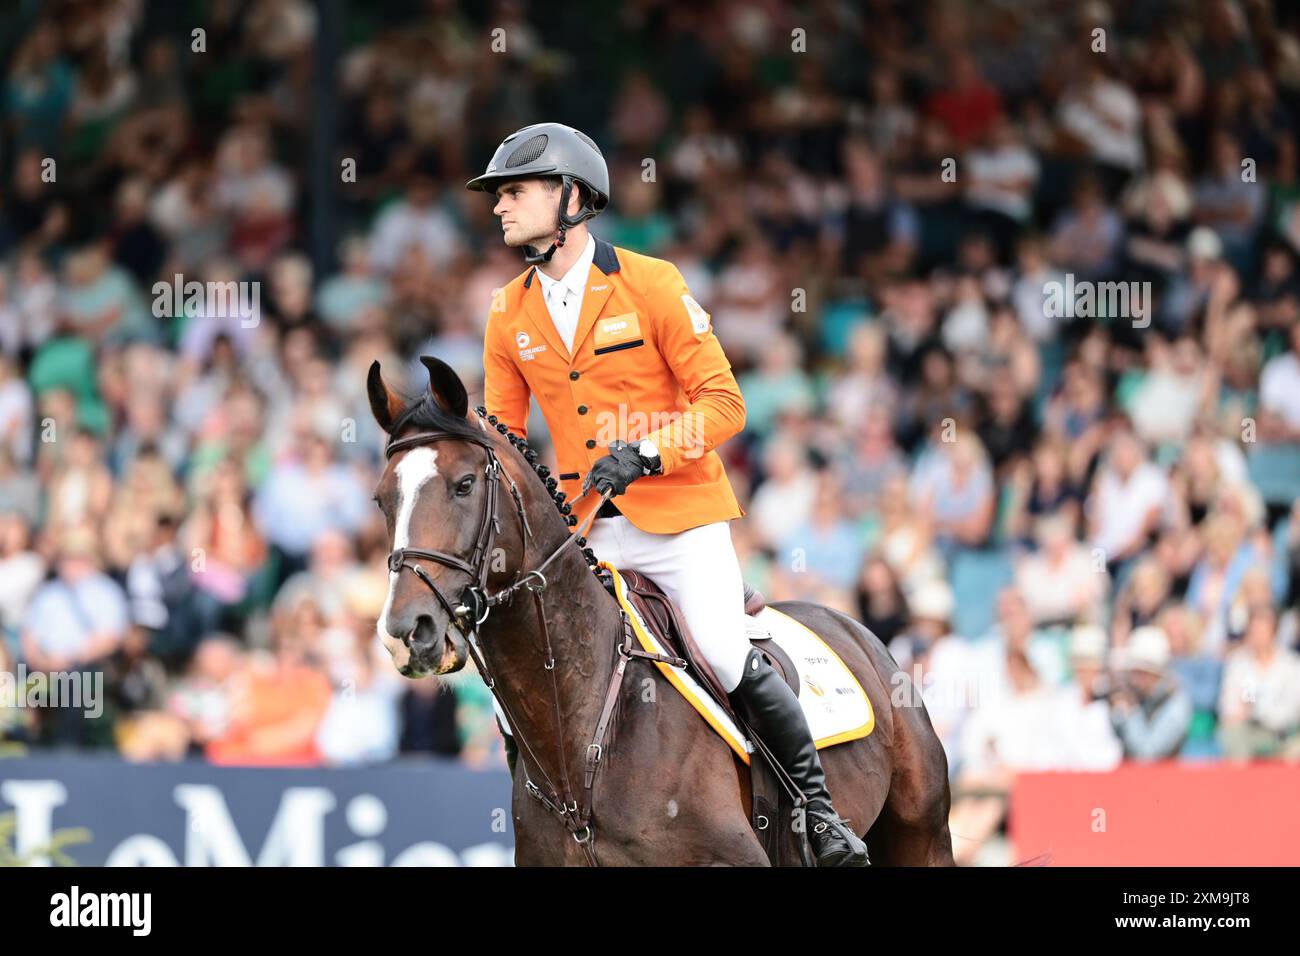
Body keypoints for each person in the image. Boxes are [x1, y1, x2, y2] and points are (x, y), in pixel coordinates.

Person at [472, 122, 868, 865]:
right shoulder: (506, 312)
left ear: (573, 198)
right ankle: (562, 825)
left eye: (515, 192)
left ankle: (819, 814)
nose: (499, 207)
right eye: (498, 196)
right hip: (582, 531)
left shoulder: (652, 282)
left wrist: (647, 452)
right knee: (513, 682)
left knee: (720, 648)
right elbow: (507, 443)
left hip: (678, 519)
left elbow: (725, 404)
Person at [1108, 626, 1193, 760]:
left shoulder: (1176, 703)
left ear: (1154, 673)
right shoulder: (1135, 697)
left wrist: (1131, 712)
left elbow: (1147, 754)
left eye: (1140, 673)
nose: (1133, 680)